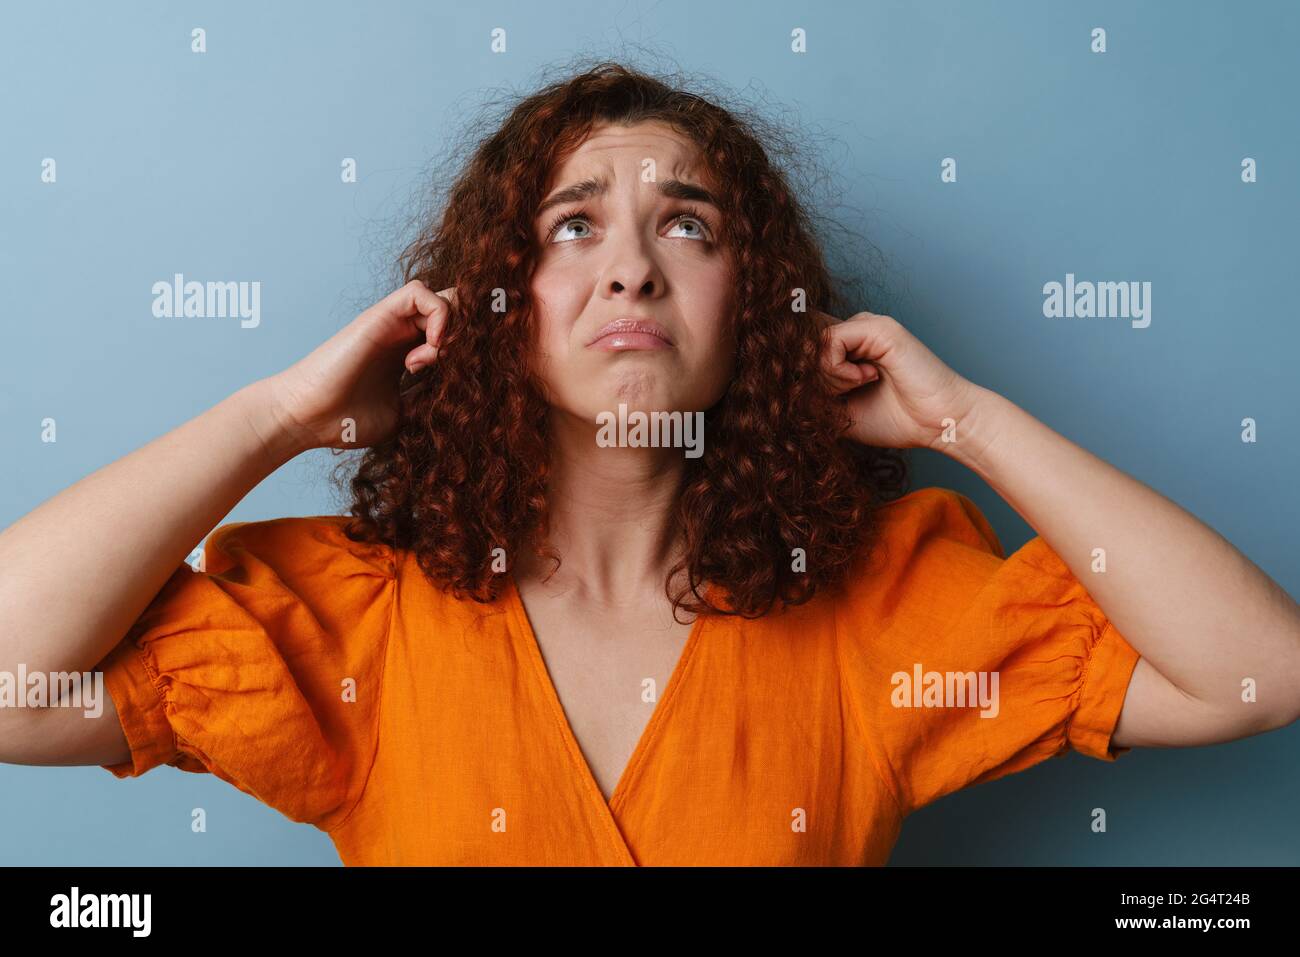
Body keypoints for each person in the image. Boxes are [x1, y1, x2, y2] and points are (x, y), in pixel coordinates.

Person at [2, 63, 1297, 866]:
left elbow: (1260, 671)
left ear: (756, 305)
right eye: (575, 227)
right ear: (498, 298)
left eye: (687, 222)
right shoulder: (361, 616)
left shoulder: (881, 605)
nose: (632, 264)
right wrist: (275, 417)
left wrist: (968, 422)